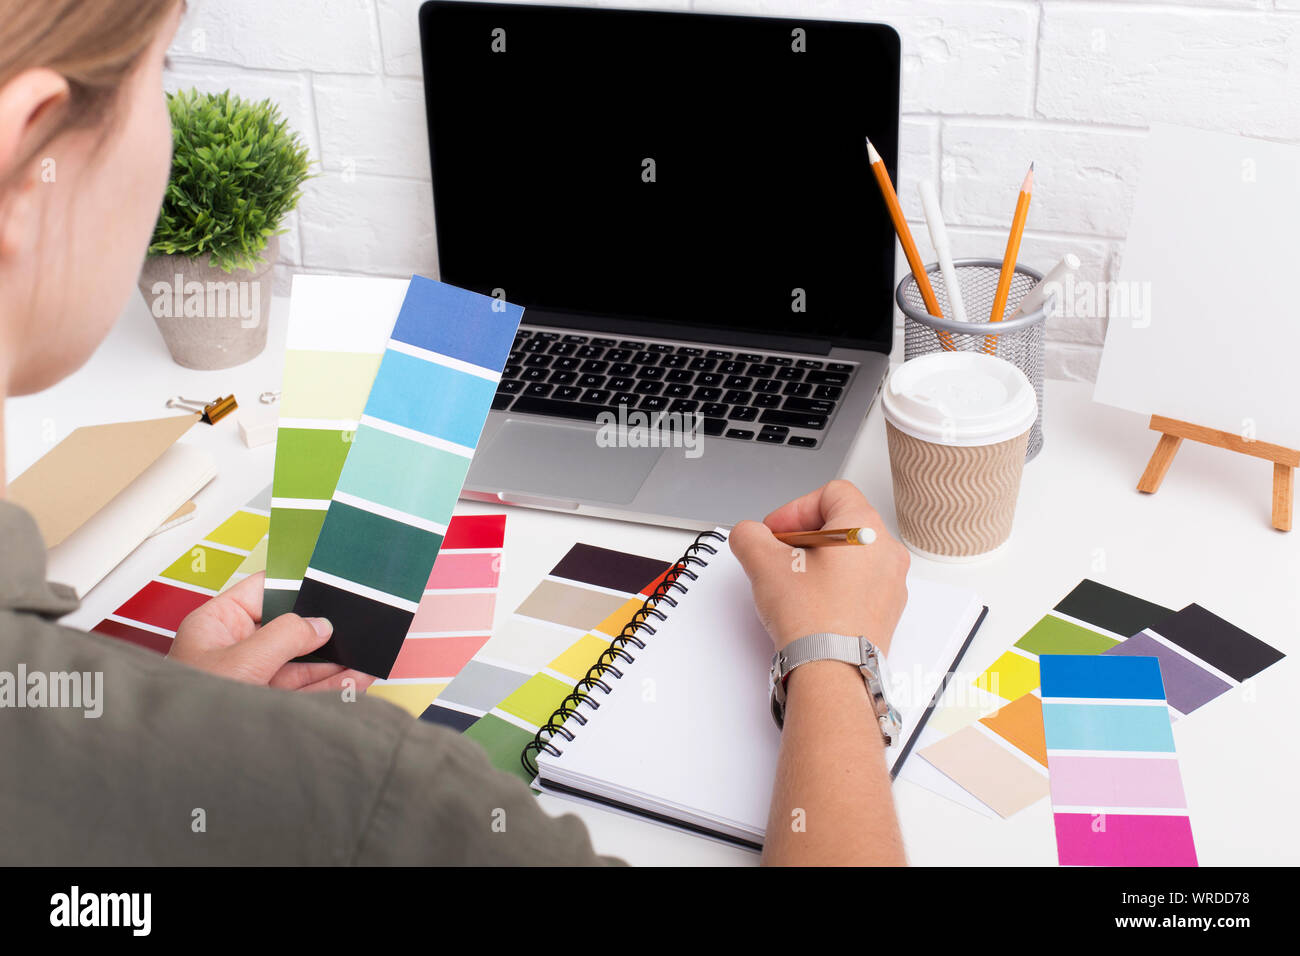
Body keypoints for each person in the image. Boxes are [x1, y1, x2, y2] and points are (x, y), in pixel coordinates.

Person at [0, 0, 909, 866]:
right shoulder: (378, 790)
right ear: (27, 139)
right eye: (158, 75)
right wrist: (832, 647)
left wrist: (191, 715)